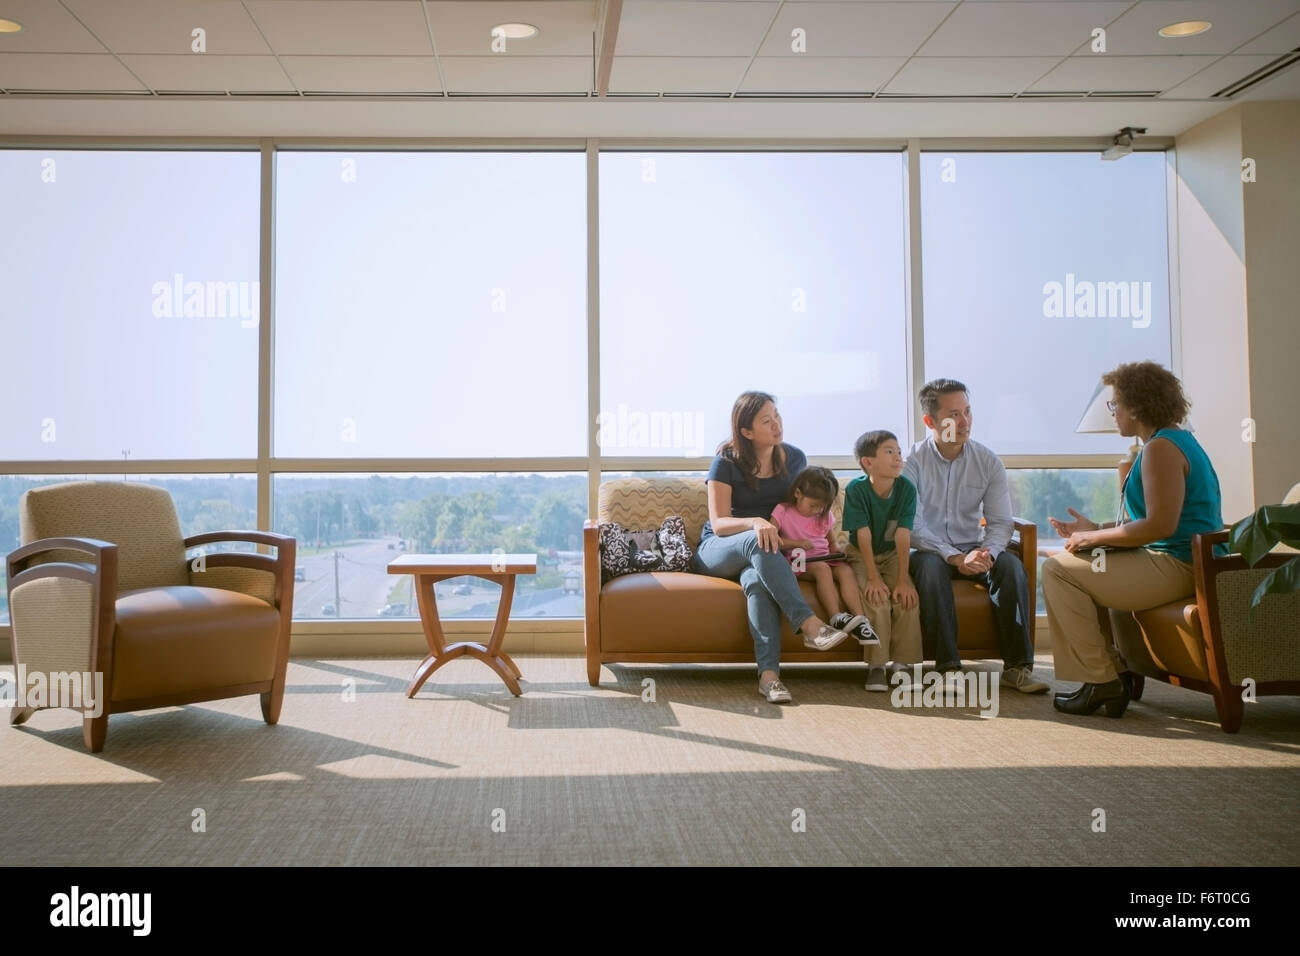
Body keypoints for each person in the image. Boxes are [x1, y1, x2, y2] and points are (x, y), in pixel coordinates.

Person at [1044, 361, 1224, 719]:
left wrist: (1094, 536)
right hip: (1179, 559)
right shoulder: (1171, 442)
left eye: (1116, 405)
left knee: (1056, 570)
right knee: (1071, 565)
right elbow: (1152, 519)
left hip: (1181, 564)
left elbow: (1161, 525)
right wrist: (1094, 527)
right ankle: (1111, 673)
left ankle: (1103, 680)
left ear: (1138, 406)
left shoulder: (1161, 449)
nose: (1114, 413)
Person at [693, 392, 848, 705]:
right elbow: (720, 522)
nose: (776, 424)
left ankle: (769, 677)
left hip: (766, 551)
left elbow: (803, 510)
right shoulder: (726, 461)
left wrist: (826, 540)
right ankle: (810, 624)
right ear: (746, 432)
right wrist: (755, 523)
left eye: (777, 415)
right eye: (767, 420)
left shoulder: (794, 459)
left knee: (756, 581)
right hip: (719, 547)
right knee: (759, 537)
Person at [902, 379, 1051, 694]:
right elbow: (911, 527)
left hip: (974, 546)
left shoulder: (987, 461)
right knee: (929, 568)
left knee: (1010, 567)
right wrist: (954, 557)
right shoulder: (911, 463)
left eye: (967, 411)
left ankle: (1017, 668)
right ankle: (947, 669)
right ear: (930, 421)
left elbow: (1000, 522)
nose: (964, 421)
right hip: (928, 550)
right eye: (954, 414)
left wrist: (989, 553)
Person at [842, 430, 922, 692]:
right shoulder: (857, 489)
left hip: (892, 554)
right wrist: (874, 577)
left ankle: (903, 665)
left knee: (906, 598)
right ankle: (876, 666)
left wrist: (902, 581)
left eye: (899, 452)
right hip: (860, 553)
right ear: (868, 462)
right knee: (875, 598)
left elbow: (902, 534)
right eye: (889, 452)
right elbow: (862, 534)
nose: (898, 457)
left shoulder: (906, 489)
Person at [770, 466, 876, 644]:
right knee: (822, 570)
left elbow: (831, 540)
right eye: (813, 505)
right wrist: (797, 544)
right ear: (797, 493)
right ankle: (836, 616)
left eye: (822, 507)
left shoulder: (823, 515)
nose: (817, 511)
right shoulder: (783, 511)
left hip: (825, 558)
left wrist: (837, 551)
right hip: (800, 562)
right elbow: (772, 539)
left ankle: (860, 620)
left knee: (845, 571)